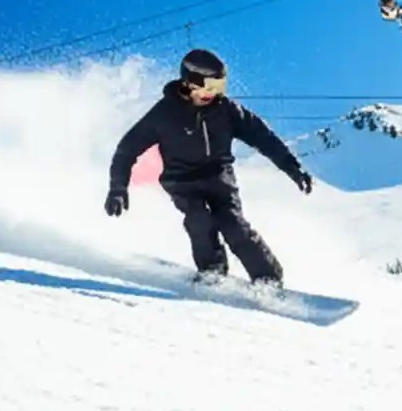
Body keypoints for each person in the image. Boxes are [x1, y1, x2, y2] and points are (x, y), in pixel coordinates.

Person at [104, 48, 313, 285]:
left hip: (219, 178)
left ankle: (268, 279)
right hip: (182, 182)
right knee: (199, 219)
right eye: (209, 86)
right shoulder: (163, 115)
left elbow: (263, 137)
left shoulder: (227, 110)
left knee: (232, 224)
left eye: (220, 87)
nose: (214, 94)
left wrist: (293, 168)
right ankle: (212, 269)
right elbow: (126, 150)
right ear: (189, 82)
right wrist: (117, 188)